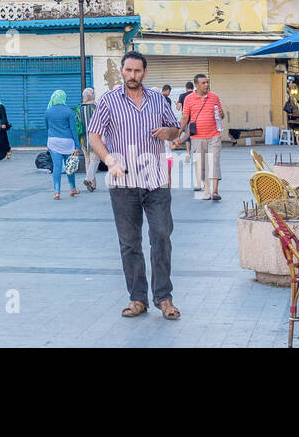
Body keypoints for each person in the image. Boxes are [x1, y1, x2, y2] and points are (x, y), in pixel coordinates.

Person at [88, 51, 182, 321]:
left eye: (137, 71)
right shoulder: (108, 101)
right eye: (128, 71)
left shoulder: (158, 100)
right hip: (123, 182)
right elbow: (94, 135)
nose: (132, 75)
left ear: (145, 72)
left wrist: (169, 133)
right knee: (130, 244)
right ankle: (138, 298)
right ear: (121, 70)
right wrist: (109, 160)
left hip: (156, 182)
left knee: (161, 237)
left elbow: (176, 129)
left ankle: (164, 297)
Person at [179, 73, 224, 201]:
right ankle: (207, 191)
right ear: (196, 85)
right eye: (203, 83)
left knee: (214, 161)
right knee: (202, 164)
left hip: (214, 135)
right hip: (197, 137)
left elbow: (221, 115)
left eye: (207, 82)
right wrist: (179, 132)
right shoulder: (189, 99)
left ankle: (215, 191)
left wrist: (221, 114)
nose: (206, 85)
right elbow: (185, 117)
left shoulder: (214, 97)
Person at [44, 89, 82, 199]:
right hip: (67, 142)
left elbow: (47, 127)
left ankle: (57, 192)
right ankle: (72, 189)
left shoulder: (48, 111)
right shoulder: (68, 111)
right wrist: (77, 146)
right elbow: (73, 130)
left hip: (53, 142)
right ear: (63, 98)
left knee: (57, 166)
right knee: (69, 166)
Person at [79, 88, 99, 191]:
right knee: (95, 160)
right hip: (94, 139)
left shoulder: (79, 109)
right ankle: (88, 179)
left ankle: (92, 184)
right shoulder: (95, 107)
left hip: (83, 140)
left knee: (88, 160)